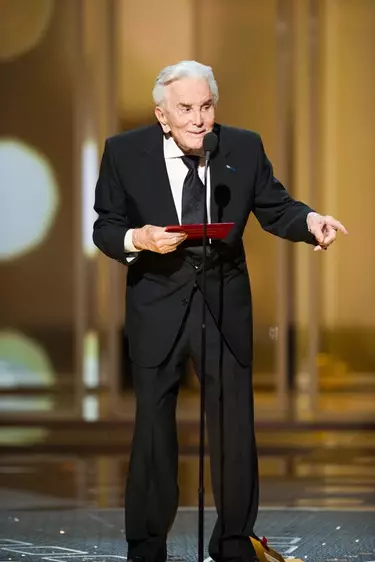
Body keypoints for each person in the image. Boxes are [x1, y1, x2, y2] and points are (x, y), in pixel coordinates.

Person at [92, 60, 347, 562]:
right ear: (162, 115)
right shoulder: (124, 152)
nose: (198, 119)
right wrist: (137, 239)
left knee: (233, 430)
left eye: (206, 106)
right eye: (185, 109)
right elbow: (105, 226)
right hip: (157, 307)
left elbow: (276, 207)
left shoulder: (242, 147)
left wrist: (310, 221)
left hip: (223, 308)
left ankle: (233, 543)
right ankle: (146, 546)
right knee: (152, 433)